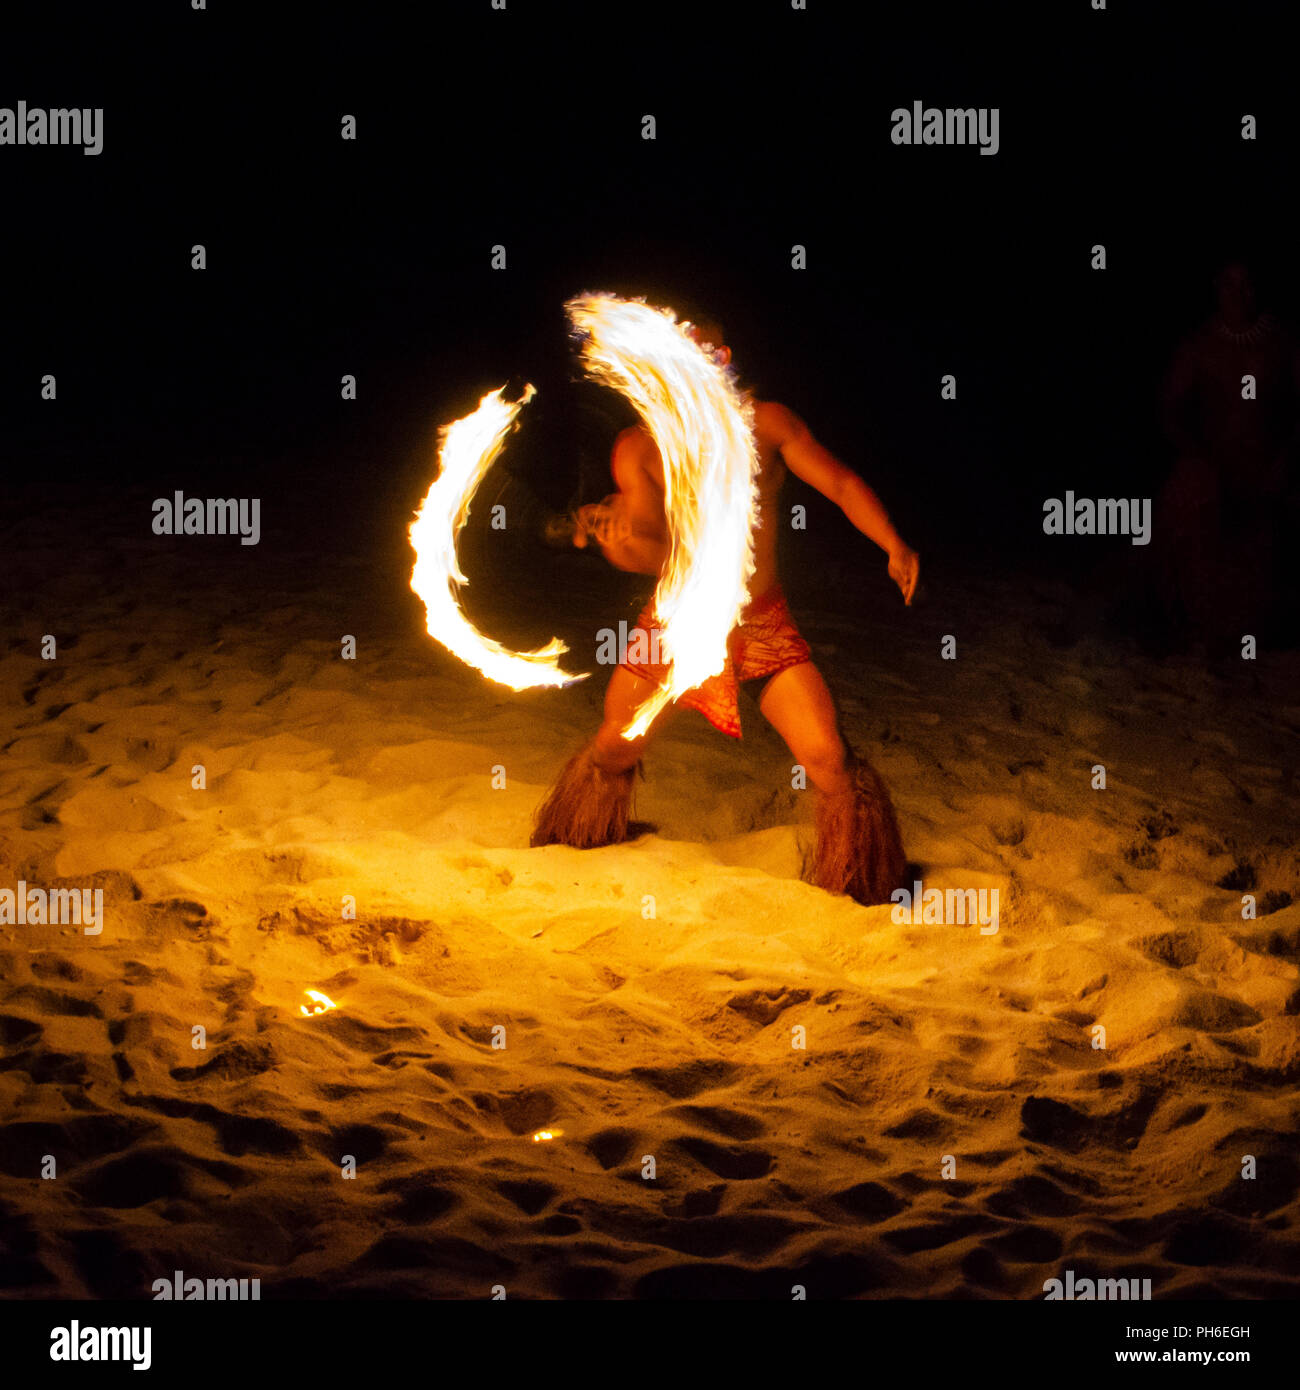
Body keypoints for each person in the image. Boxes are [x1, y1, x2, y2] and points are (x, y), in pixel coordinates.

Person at [530, 309, 919, 906]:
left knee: (829, 758)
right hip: (677, 620)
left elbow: (840, 484)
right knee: (614, 746)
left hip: (761, 622)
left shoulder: (768, 426)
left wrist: (891, 541)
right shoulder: (639, 448)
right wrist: (617, 539)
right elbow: (655, 552)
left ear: (722, 359)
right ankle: (573, 841)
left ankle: (863, 881)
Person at [1155, 260, 1300, 646]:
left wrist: (1288, 458)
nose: (1239, 294)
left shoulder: (1284, 342)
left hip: (1270, 471)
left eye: (1247, 285)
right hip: (1216, 472)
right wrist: (1199, 459)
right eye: (1231, 285)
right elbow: (1169, 411)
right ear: (1217, 288)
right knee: (1187, 497)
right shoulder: (1199, 344)